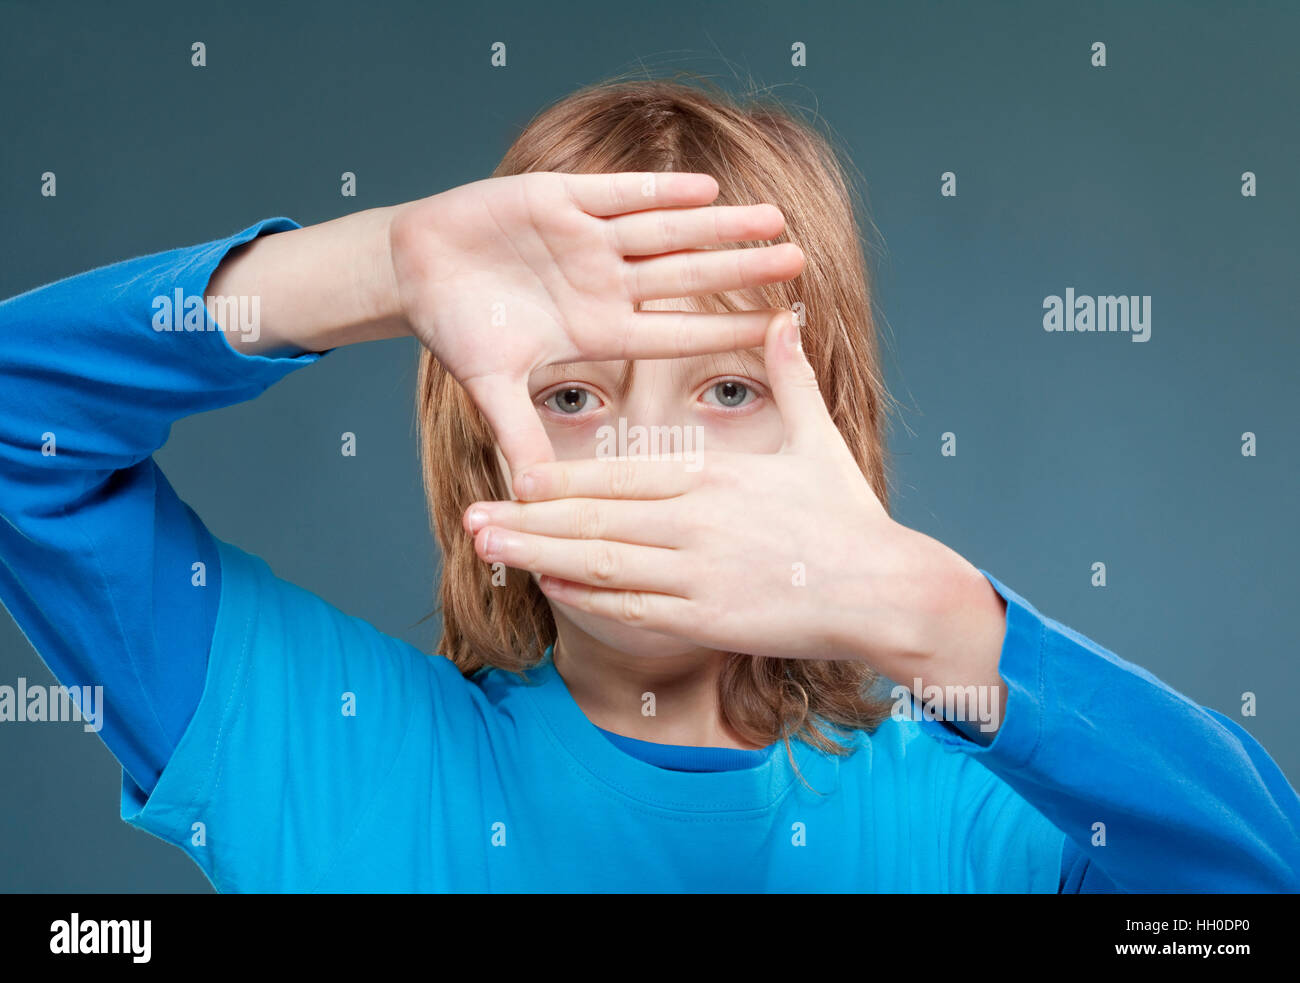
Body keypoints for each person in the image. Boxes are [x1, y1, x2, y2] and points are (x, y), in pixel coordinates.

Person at [1, 78, 1296, 892]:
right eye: (575, 395)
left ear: (825, 433)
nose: (648, 460)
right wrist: (377, 273)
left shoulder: (976, 822)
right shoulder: (319, 747)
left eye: (728, 390)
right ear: (485, 444)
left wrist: (936, 619)